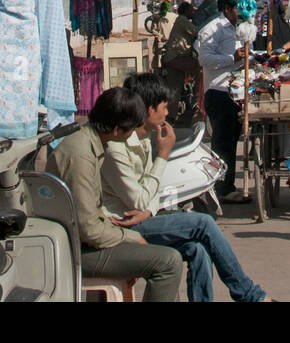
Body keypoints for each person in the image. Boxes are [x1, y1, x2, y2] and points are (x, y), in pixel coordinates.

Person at [97, 75, 270, 301]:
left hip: (143, 219)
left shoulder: (144, 139)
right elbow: (139, 200)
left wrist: (149, 210)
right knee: (203, 223)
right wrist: (163, 155)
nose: (167, 114)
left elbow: (151, 195)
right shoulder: (117, 148)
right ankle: (249, 296)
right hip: (122, 227)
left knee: (197, 249)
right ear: (148, 109)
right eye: (163, 107)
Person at [47, 89, 185, 301]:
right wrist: (131, 237)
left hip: (87, 238)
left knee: (169, 255)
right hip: (76, 250)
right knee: (169, 262)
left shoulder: (90, 142)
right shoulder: (81, 155)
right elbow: (89, 230)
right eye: (132, 129)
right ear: (117, 129)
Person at [196, 0, 252, 203]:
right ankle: (222, 189)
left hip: (235, 92)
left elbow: (241, 55)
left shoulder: (236, 28)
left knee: (231, 141)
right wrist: (232, 58)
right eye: (239, 8)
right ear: (228, 8)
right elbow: (204, 59)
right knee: (222, 141)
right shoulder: (213, 29)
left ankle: (227, 185)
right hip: (218, 93)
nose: (243, 12)